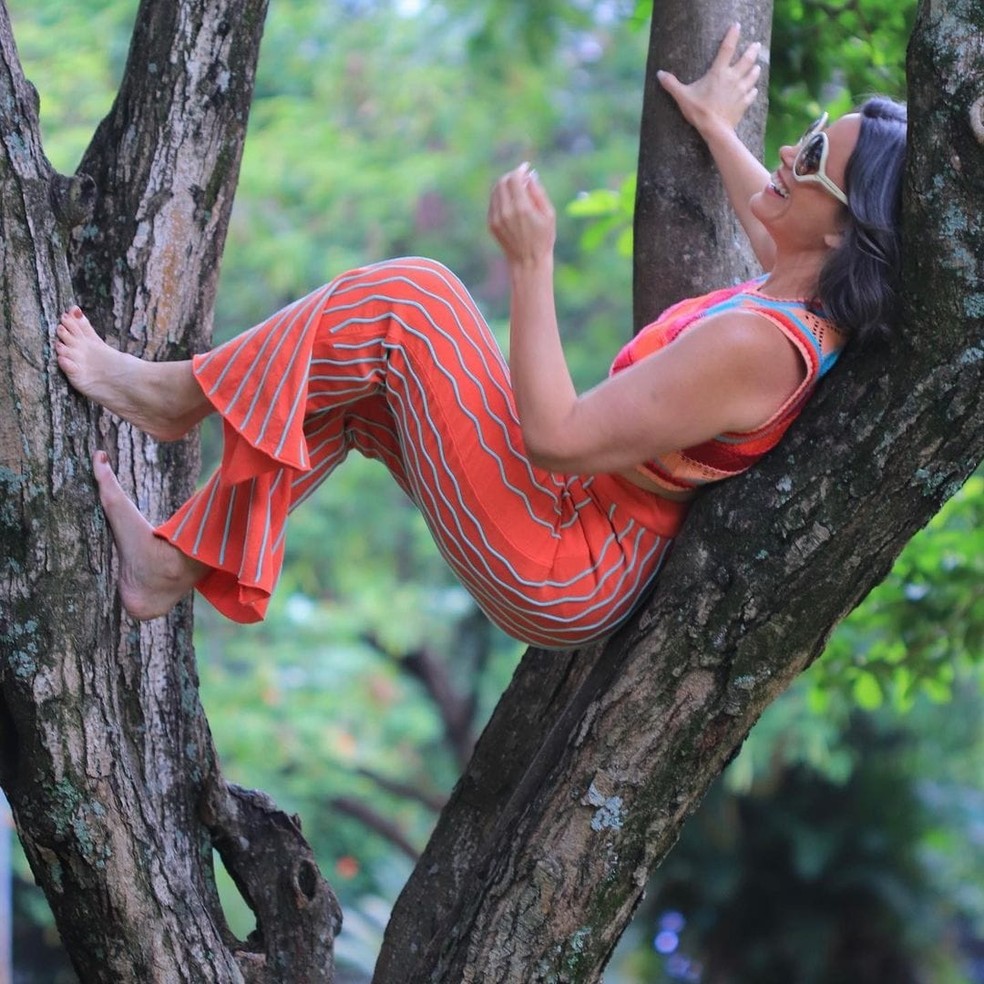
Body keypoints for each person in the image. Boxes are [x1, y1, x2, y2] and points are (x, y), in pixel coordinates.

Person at [54, 25, 906, 650]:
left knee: (410, 298)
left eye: (811, 156)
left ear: (845, 227)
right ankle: (170, 567)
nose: (789, 151)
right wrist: (721, 126)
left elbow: (559, 438)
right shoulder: (807, 291)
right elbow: (778, 232)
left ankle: (176, 397)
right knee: (357, 394)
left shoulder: (760, 346)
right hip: (569, 516)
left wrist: (532, 265)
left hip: (565, 555)